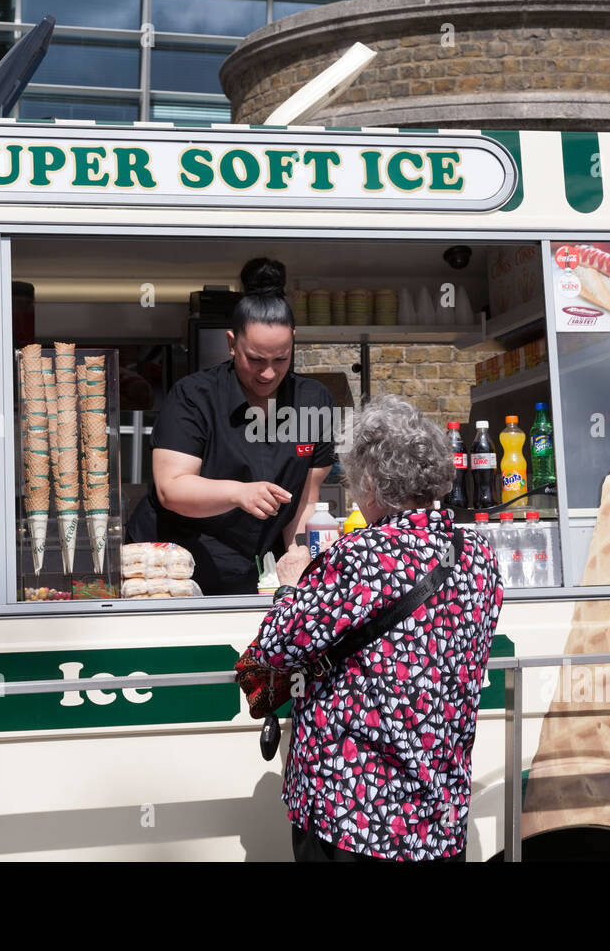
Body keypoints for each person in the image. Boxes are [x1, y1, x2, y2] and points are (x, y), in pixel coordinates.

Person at [242, 395, 503, 861]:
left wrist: (288, 587)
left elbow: (276, 648)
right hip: (437, 813)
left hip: (354, 812)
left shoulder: (359, 556)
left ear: (369, 481)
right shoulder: (476, 554)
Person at [127, 258, 336, 595]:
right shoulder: (194, 396)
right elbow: (171, 488)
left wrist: (299, 556)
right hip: (179, 570)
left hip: (261, 568)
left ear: (293, 342)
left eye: (280, 359)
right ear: (231, 343)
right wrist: (238, 493)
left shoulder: (314, 401)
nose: (267, 373)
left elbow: (305, 501)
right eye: (255, 359)